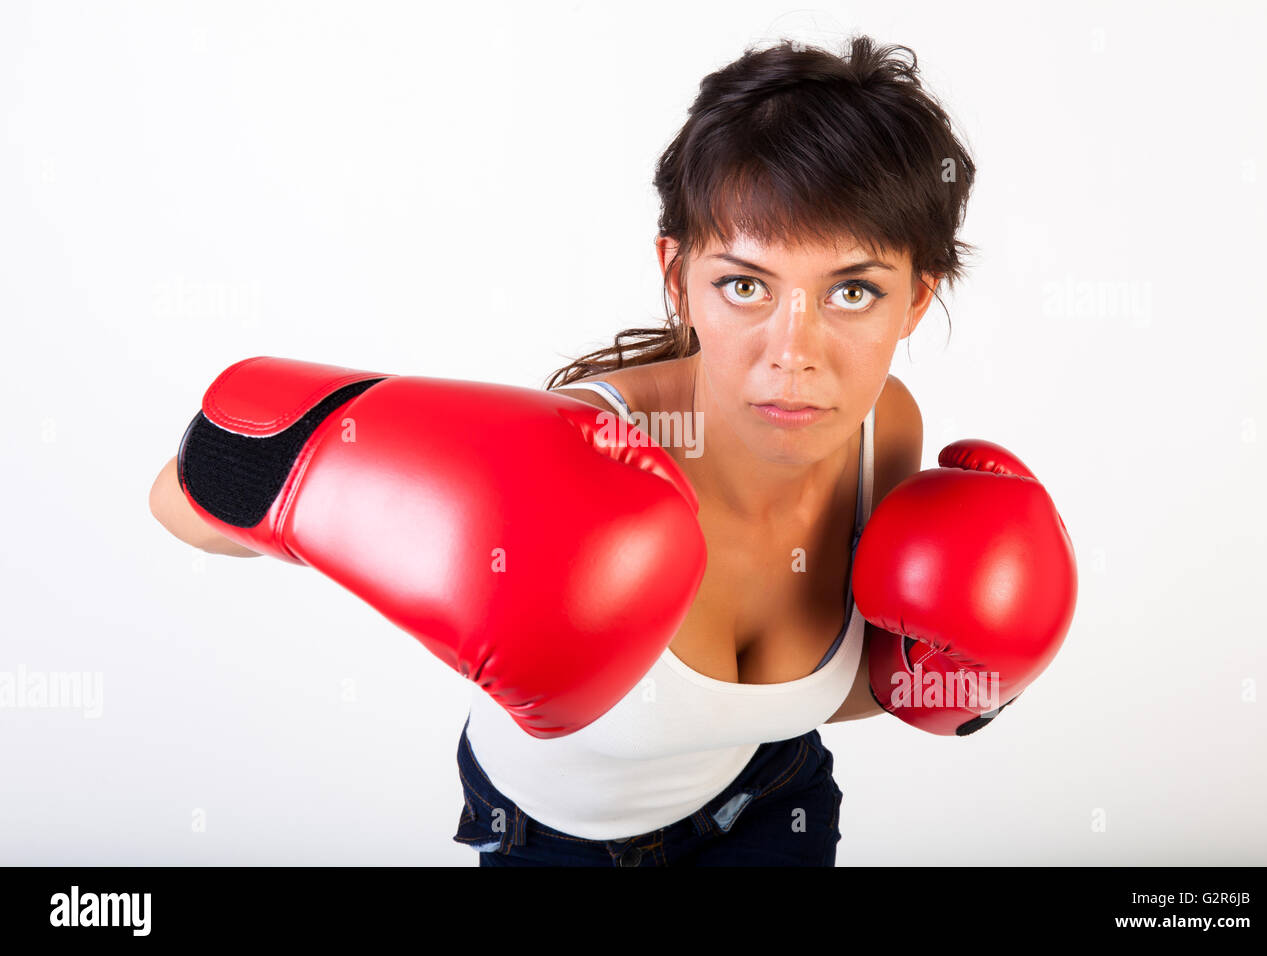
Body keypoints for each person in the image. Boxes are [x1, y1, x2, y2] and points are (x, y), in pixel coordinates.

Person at [150, 36, 977, 866]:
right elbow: (182, 496)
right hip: (552, 846)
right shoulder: (568, 464)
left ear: (915, 300)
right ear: (677, 275)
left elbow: (802, 699)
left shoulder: (885, 430)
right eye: (745, 284)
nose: (793, 352)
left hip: (773, 805)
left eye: (854, 291)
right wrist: (357, 503)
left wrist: (963, 679)